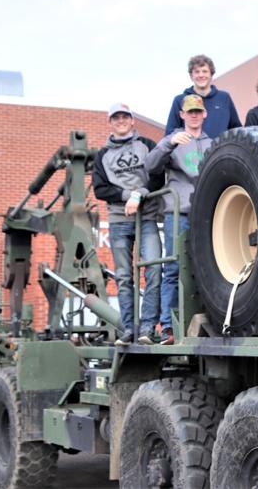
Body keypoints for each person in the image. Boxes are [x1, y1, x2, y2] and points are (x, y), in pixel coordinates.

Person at [93, 103, 164, 346]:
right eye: (116, 117)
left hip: (147, 218)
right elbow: (100, 188)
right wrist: (128, 196)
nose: (121, 121)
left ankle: (147, 328)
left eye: (125, 117)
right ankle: (129, 329)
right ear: (110, 122)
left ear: (132, 121)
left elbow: (158, 176)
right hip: (118, 221)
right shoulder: (102, 156)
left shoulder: (147, 145)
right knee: (124, 277)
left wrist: (140, 194)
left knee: (154, 269)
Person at [145, 95, 212, 345]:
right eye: (189, 112)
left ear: (204, 114)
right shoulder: (171, 140)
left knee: (205, 269)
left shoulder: (212, 143)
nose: (194, 116)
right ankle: (168, 328)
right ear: (182, 115)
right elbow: (150, 166)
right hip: (178, 214)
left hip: (205, 214)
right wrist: (169, 144)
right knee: (173, 268)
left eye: (198, 111)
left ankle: (205, 324)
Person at [165, 54, 241, 139]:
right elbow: (170, 134)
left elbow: (236, 130)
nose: (201, 75)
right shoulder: (180, 100)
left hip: (220, 151)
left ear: (211, 74)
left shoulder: (224, 98)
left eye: (204, 71)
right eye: (197, 72)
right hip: (190, 151)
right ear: (191, 76)